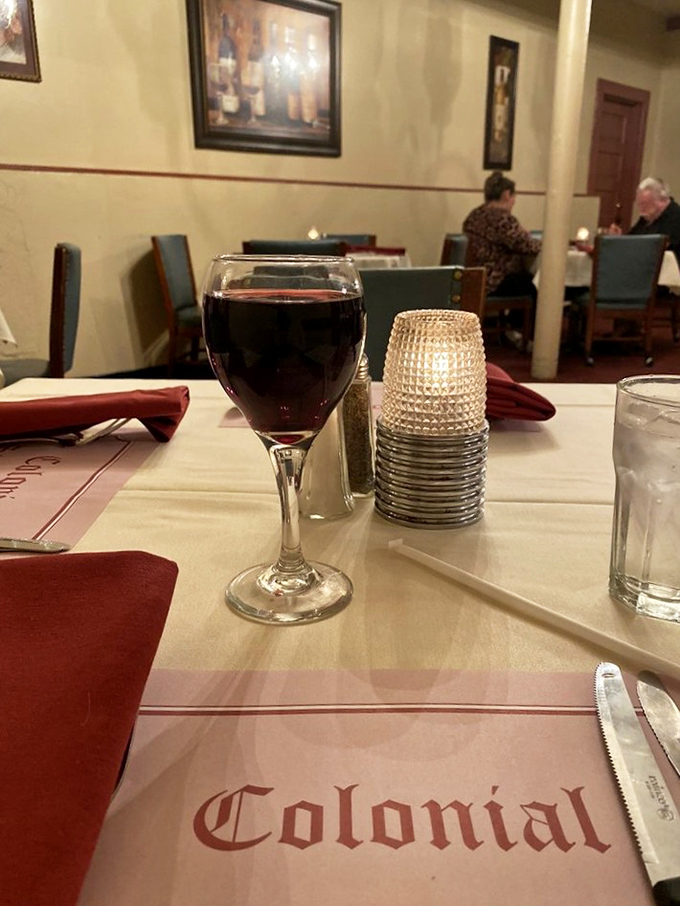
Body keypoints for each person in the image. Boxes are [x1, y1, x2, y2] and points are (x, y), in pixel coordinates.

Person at [463, 171, 541, 343]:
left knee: (523, 281)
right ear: (506, 194)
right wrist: (548, 245)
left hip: (475, 277)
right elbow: (526, 246)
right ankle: (525, 335)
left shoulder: (475, 215)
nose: (514, 202)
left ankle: (512, 328)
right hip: (494, 280)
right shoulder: (503, 219)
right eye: (513, 197)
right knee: (534, 286)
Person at [609, 177, 680, 264]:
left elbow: (653, 250)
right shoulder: (648, 216)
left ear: (662, 201)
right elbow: (633, 240)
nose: (641, 209)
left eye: (645, 204)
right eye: (639, 204)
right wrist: (617, 239)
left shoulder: (675, 220)